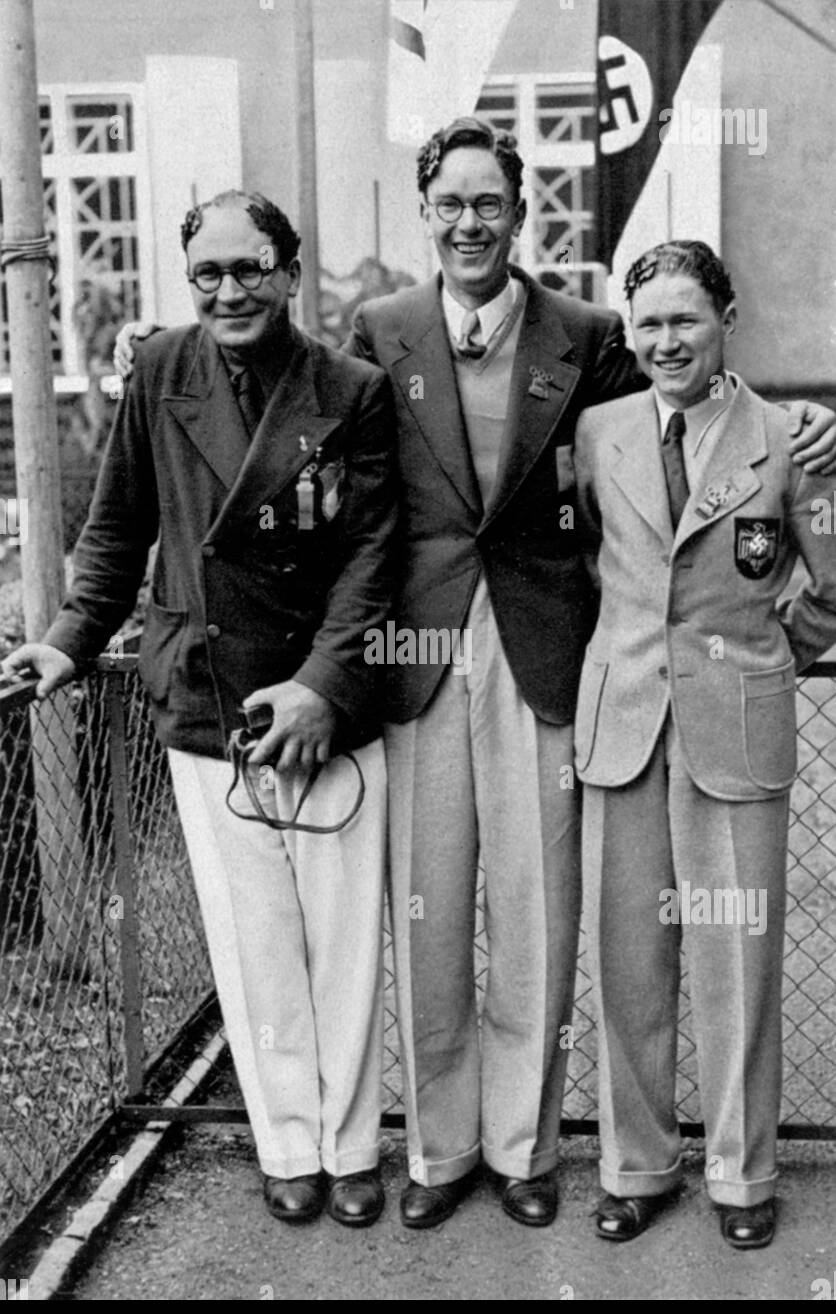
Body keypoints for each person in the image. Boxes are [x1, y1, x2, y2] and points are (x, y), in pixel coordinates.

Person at [112, 119, 836, 1231]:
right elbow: (297, 411)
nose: (467, 223)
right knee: (429, 913)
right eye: (448, 204)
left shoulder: (587, 332)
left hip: (544, 651)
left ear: (518, 212)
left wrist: (797, 423)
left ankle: (524, 1149)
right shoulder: (381, 328)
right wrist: (157, 349)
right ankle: (439, 1149)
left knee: (536, 914)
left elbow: (679, 414)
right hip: (415, 651)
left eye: (487, 202)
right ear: (425, 213)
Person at [2, 190, 398, 1229]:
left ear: (288, 272)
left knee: (342, 942)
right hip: (208, 699)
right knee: (254, 941)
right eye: (208, 274)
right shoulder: (159, 369)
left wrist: (320, 687)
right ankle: (290, 1147)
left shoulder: (350, 389)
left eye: (250, 268)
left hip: (325, 705)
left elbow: (372, 555)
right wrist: (68, 639)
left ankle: (355, 1146)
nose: (229, 291)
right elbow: (116, 526)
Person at [573, 239, 836, 1250]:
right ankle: (635, 1167)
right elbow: (583, 561)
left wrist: (767, 654)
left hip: (733, 730)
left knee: (737, 961)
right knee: (627, 960)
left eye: (684, 319)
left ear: (726, 320)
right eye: (646, 323)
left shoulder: (789, 437)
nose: (665, 340)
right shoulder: (598, 431)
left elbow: (832, 582)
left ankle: (740, 1172)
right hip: (625, 730)